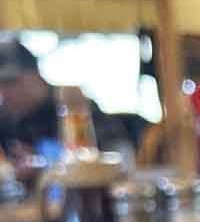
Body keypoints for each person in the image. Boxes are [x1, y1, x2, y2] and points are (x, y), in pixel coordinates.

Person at [0, 38, 130, 179]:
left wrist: (45, 163)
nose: (4, 94)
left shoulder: (75, 107)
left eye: (10, 83)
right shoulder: (7, 118)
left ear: (35, 76)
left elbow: (120, 157)